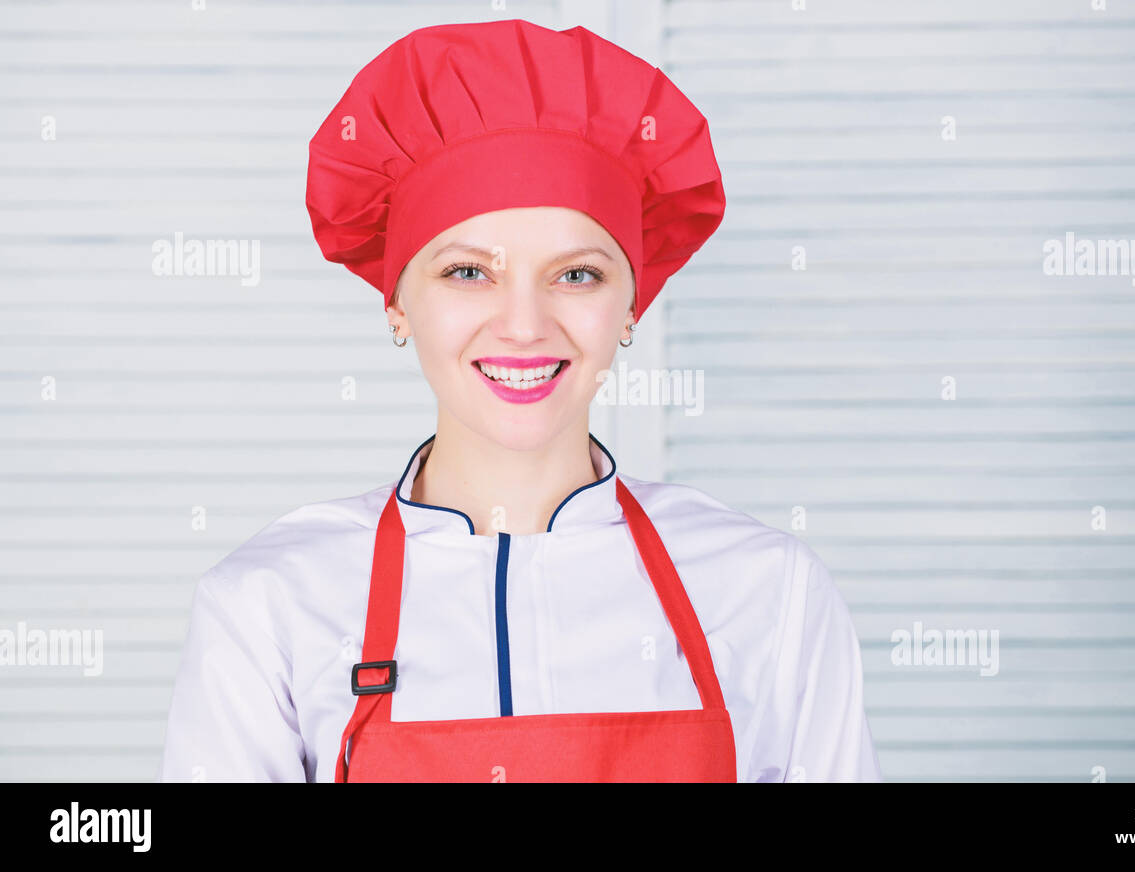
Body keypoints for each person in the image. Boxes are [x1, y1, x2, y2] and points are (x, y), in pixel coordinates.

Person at [158, 18, 882, 783]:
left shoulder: (768, 592)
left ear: (633, 305)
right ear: (397, 305)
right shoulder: (270, 605)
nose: (525, 326)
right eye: (468, 272)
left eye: (577, 275)